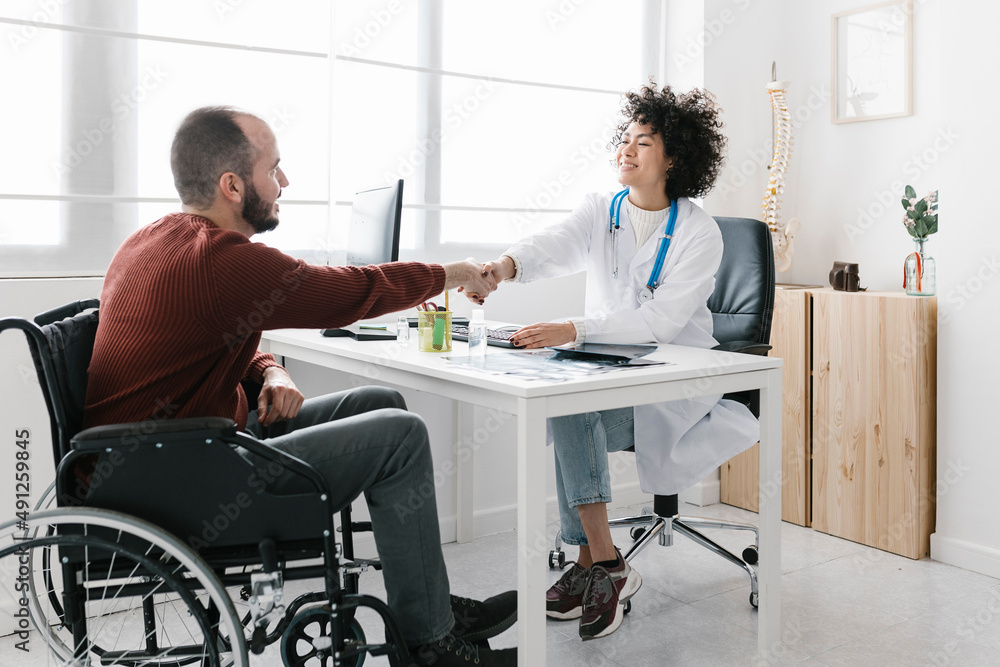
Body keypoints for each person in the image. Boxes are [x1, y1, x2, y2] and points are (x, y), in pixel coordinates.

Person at [81, 106, 517, 667]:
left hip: (173, 455)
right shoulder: (220, 260)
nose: (284, 182)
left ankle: (429, 608)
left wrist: (270, 370)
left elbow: (209, 334)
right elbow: (345, 292)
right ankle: (431, 646)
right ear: (233, 185)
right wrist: (453, 274)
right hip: (180, 483)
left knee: (380, 403)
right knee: (401, 435)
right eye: (275, 169)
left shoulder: (155, 240)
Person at [474, 84, 759, 641]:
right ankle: (604, 564)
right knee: (565, 405)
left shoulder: (700, 233)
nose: (627, 151)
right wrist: (503, 267)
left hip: (675, 382)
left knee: (569, 410)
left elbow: (660, 325)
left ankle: (591, 567)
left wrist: (573, 328)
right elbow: (554, 243)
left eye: (644, 142)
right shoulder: (600, 212)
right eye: (625, 140)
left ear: (675, 158)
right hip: (611, 367)